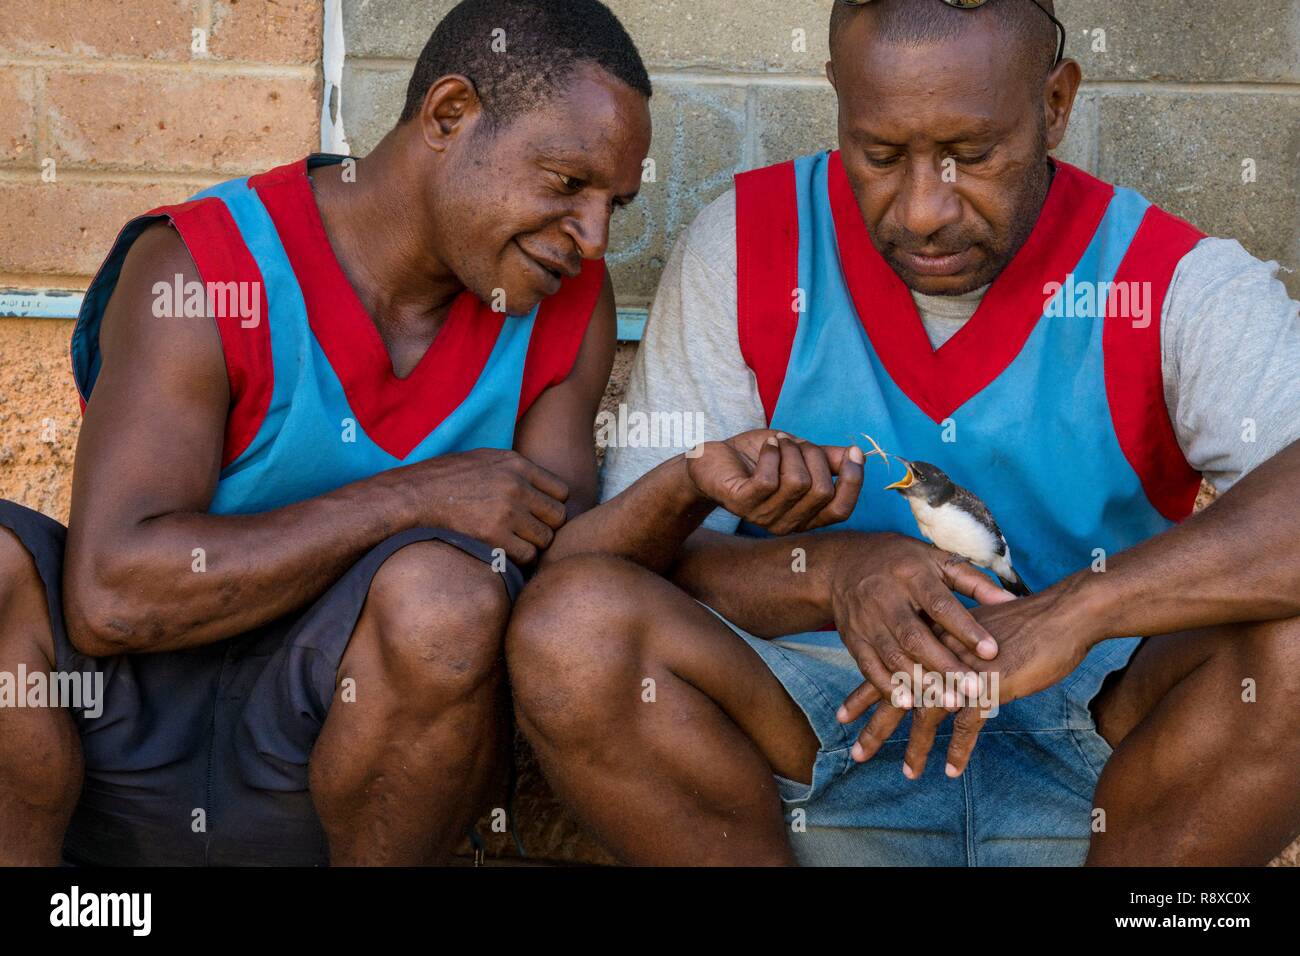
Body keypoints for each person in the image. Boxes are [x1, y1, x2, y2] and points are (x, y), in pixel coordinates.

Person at [504, 0, 1300, 865]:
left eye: (973, 154)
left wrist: (1075, 612)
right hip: (818, 734)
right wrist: (833, 576)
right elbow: (626, 568)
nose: (924, 209)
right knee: (572, 626)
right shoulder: (749, 244)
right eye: (881, 155)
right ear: (838, 104)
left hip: (1102, 755)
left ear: (1057, 104)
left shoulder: (1173, 279)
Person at [0, 0, 657, 866]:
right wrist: (410, 500)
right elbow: (112, 597)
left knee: (445, 598)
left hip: (342, 770)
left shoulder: (563, 309)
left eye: (617, 203)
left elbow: (560, 588)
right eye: (569, 185)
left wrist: (686, 492)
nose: (594, 236)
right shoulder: (206, 268)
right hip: (119, 739)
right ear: (449, 115)